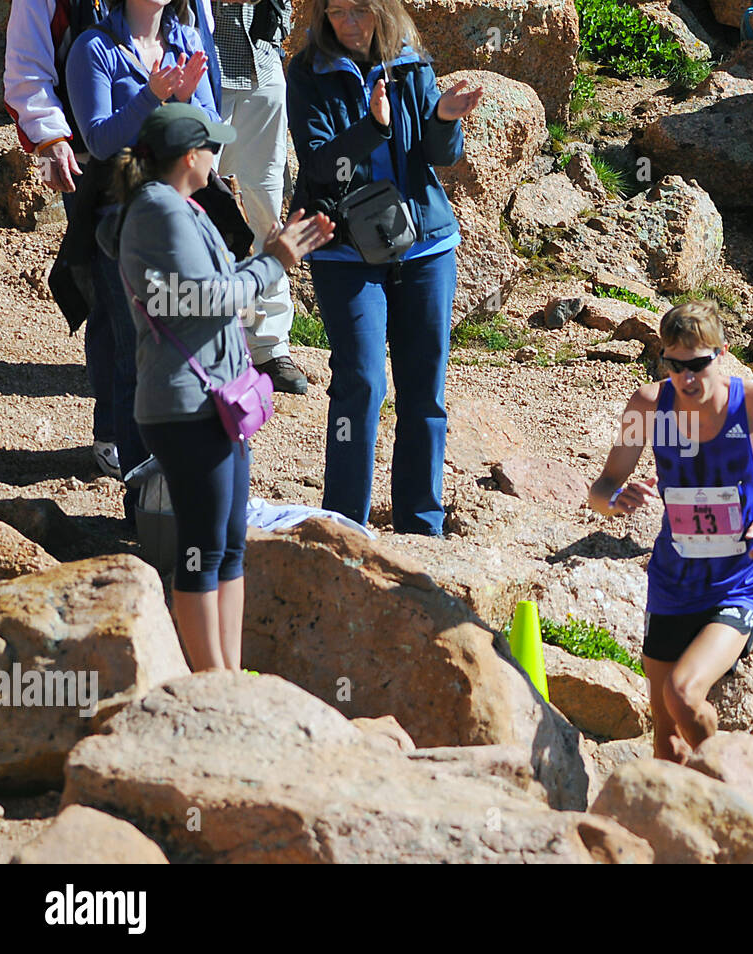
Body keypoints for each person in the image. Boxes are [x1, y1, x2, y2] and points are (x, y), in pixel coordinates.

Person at [102, 103, 334, 670]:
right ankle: (209, 684)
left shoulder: (184, 206)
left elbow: (215, 287)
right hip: (186, 406)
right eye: (212, 147)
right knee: (201, 549)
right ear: (189, 156)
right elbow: (207, 299)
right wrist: (274, 261)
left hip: (215, 402)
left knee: (229, 545)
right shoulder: (159, 211)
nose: (218, 156)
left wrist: (269, 258)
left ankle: (228, 675)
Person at [589, 303, 753, 763]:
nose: (687, 378)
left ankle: (732, 784)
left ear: (721, 354)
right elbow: (601, 487)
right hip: (672, 583)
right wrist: (612, 502)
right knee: (665, 741)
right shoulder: (647, 407)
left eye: (697, 364)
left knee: (682, 693)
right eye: (674, 365)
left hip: (736, 584)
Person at [288, 0, 482, 535]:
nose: (349, 23)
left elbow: (438, 154)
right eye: (337, 12)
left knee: (424, 389)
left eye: (361, 11)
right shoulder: (308, 72)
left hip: (424, 246)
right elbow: (323, 166)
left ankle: (423, 524)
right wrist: (372, 127)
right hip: (343, 249)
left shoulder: (411, 61)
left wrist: (443, 117)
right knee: (362, 381)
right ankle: (343, 524)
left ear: (384, 10)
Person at [66, 0, 221, 522]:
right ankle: (144, 504)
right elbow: (100, 139)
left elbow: (211, 134)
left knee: (187, 346)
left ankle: (182, 492)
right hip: (123, 221)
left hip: (184, 216)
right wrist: (154, 100)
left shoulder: (186, 39)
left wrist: (184, 107)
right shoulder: (94, 47)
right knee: (138, 353)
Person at [4, 0, 116, 476]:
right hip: (90, 161)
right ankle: (116, 431)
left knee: (167, 293)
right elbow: (26, 64)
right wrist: (50, 138)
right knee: (113, 292)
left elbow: (200, 44)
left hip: (169, 153)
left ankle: (169, 432)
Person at [211, 0, 308, 394]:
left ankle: (269, 346)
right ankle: (194, 345)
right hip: (202, 67)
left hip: (263, 63)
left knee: (266, 206)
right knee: (191, 206)